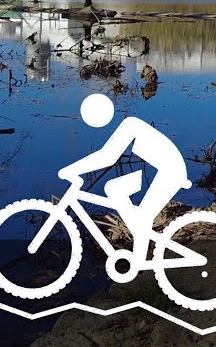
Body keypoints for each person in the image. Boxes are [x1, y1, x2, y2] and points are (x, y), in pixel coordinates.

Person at [58, 94, 191, 263]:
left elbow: (107, 156)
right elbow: (108, 155)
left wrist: (71, 170)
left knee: (143, 217)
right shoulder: (130, 124)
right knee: (113, 188)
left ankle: (139, 260)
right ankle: (138, 241)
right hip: (164, 169)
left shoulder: (130, 125)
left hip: (171, 172)